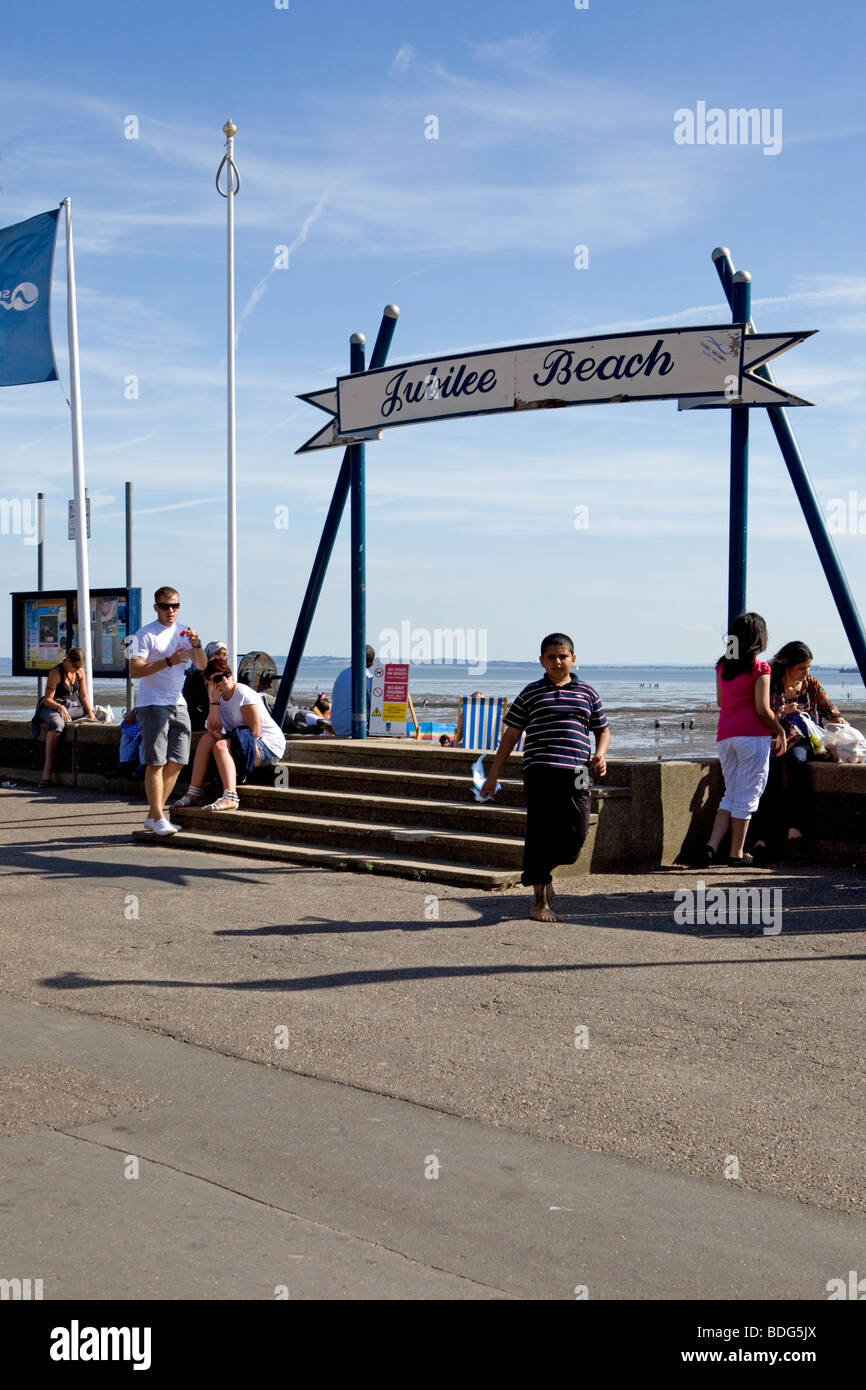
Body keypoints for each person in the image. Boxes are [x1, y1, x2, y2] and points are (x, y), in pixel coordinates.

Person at [481, 632, 609, 923]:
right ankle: (539, 903)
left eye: (563, 656)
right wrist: (493, 776)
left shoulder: (588, 693)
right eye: (551, 657)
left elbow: (602, 729)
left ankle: (539, 872)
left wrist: (600, 754)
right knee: (540, 835)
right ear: (541, 661)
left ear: (573, 659)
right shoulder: (530, 693)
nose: (557, 662)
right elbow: (510, 736)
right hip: (540, 771)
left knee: (576, 837)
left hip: (579, 773)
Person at [701, 612, 786, 867]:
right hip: (753, 735)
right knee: (748, 795)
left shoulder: (722, 666)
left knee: (731, 793)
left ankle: (711, 846)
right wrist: (779, 729)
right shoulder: (759, 667)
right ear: (758, 637)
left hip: (726, 735)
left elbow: (720, 701)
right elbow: (762, 709)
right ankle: (736, 853)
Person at [750, 641, 849, 861]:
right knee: (769, 773)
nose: (806, 673)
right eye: (801, 668)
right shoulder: (771, 684)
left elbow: (828, 710)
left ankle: (796, 827)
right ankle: (762, 838)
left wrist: (841, 723)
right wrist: (781, 712)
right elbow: (761, 716)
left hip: (804, 739)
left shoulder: (811, 684)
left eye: (808, 667)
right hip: (775, 738)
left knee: (797, 763)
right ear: (788, 666)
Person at [127, 585, 206, 835]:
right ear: (156, 607)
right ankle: (159, 817)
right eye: (165, 606)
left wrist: (198, 645)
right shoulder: (143, 635)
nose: (171, 610)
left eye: (175, 606)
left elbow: (202, 665)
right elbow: (135, 670)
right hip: (152, 703)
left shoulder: (184, 632)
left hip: (177, 702)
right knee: (155, 761)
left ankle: (154, 814)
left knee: (179, 760)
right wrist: (168, 661)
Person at [171, 657, 286, 811]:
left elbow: (255, 732)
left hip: (267, 745)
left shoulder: (242, 692)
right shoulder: (219, 700)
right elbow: (212, 729)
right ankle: (194, 793)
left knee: (221, 747)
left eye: (227, 674)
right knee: (207, 739)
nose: (225, 679)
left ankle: (230, 797)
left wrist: (224, 739)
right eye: (219, 678)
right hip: (243, 743)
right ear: (211, 683)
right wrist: (214, 702)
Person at [30, 647, 95, 787]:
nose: (76, 670)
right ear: (68, 660)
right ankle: (47, 771)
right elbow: (47, 699)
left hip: (71, 707)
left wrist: (90, 712)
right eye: (74, 666)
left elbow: (83, 696)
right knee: (58, 724)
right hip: (53, 707)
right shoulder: (55, 673)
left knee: (98, 716)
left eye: (79, 667)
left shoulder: (79, 672)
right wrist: (60, 707)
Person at [330, 644, 375, 737]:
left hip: (337, 727)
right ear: (372, 662)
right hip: (356, 728)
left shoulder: (342, 674)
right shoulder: (367, 678)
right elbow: (375, 703)